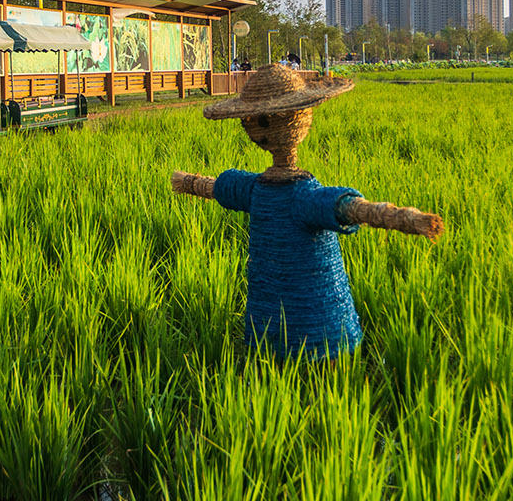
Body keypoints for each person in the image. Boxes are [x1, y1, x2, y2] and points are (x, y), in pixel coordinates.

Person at [170, 65, 443, 360]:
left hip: (289, 315)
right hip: (296, 315)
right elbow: (224, 187)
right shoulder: (274, 192)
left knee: (284, 339)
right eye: (254, 121)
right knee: (293, 336)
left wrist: (403, 219)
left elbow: (350, 209)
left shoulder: (288, 195)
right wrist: (191, 183)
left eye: (259, 120)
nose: (256, 127)